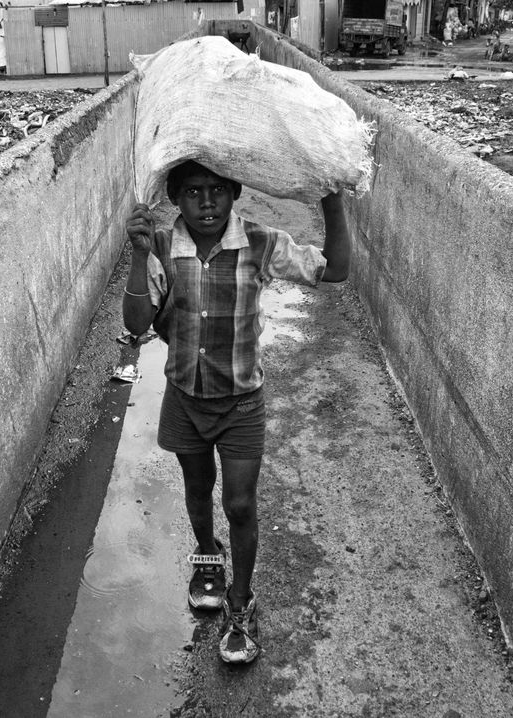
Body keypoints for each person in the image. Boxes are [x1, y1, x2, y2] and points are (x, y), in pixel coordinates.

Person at [123, 161, 350, 664]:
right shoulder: (161, 247)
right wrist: (139, 258)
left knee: (241, 505)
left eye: (218, 191)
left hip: (242, 402)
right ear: (175, 199)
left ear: (235, 193)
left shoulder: (260, 244)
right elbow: (137, 324)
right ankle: (208, 562)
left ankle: (242, 602)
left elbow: (334, 268)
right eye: (193, 192)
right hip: (185, 397)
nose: (207, 203)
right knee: (199, 493)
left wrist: (331, 200)